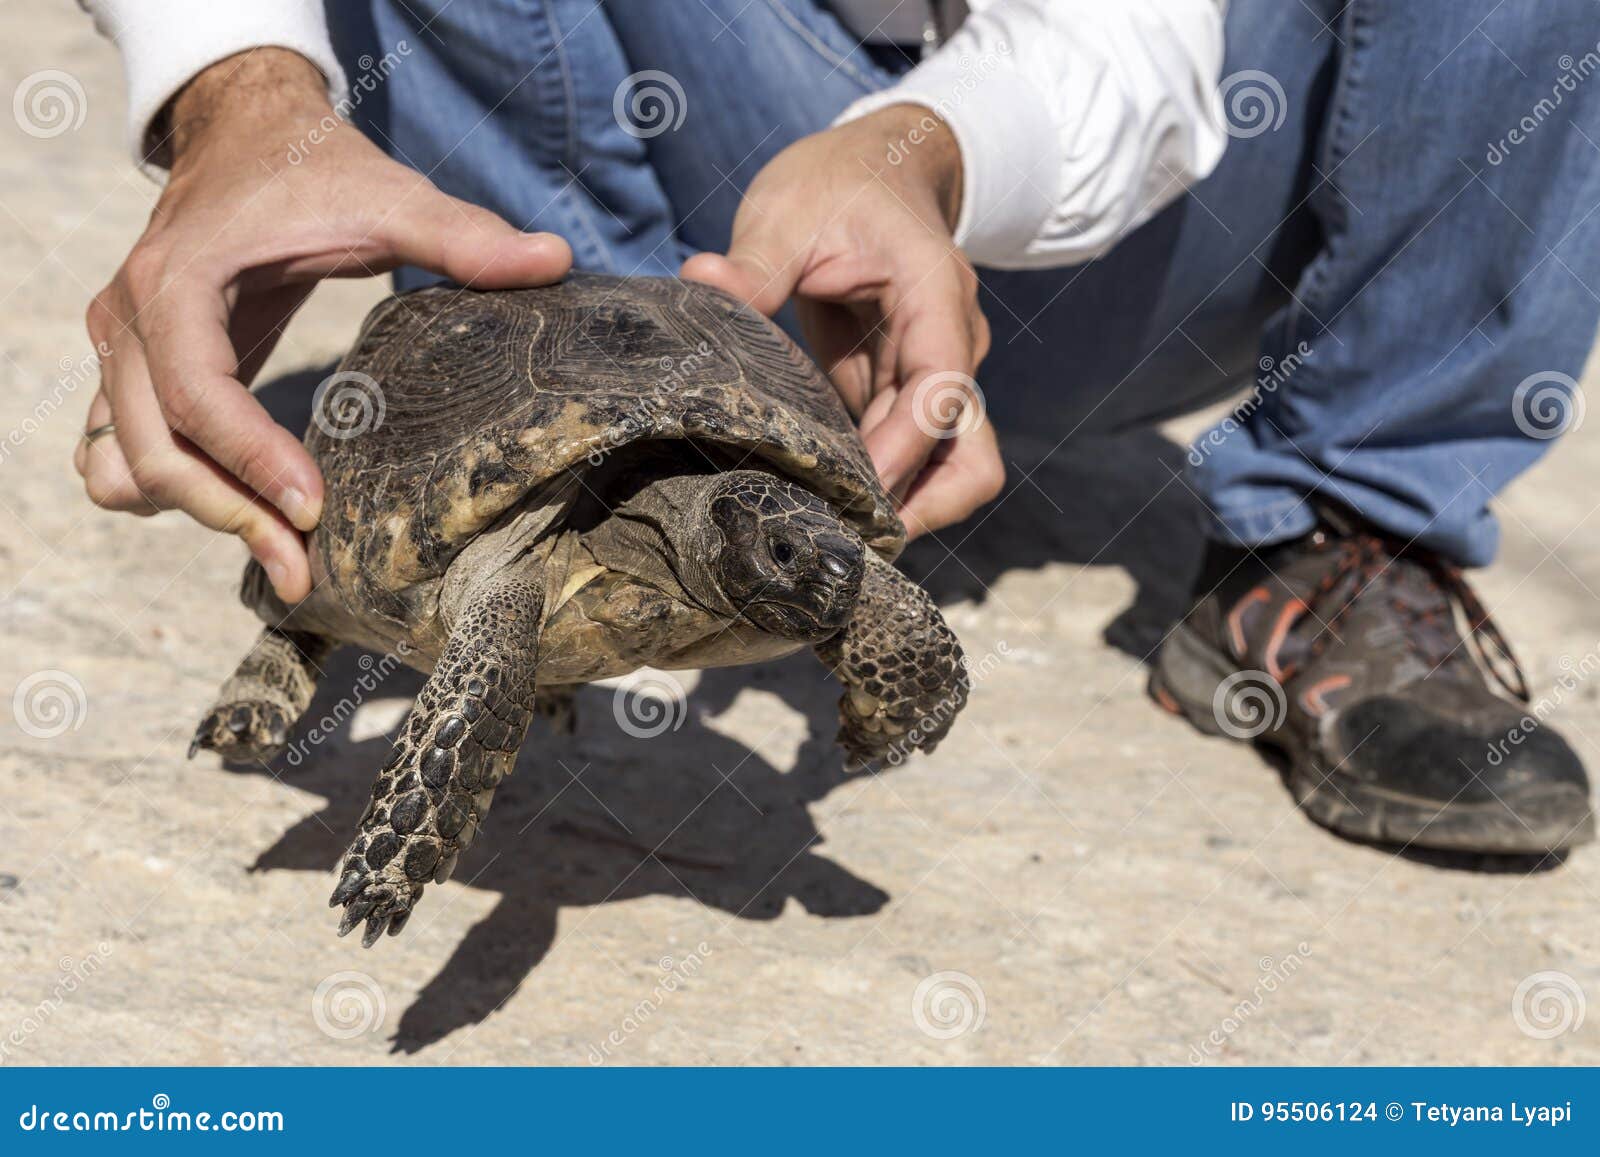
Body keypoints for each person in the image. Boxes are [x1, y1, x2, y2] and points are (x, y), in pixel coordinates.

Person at [75, 0, 1600, 856]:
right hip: (583, 197)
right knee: (514, 557)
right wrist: (233, 88)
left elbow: (1133, 38)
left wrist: (922, 147)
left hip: (1081, 215)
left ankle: (1352, 519)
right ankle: (519, 493)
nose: (820, 570)